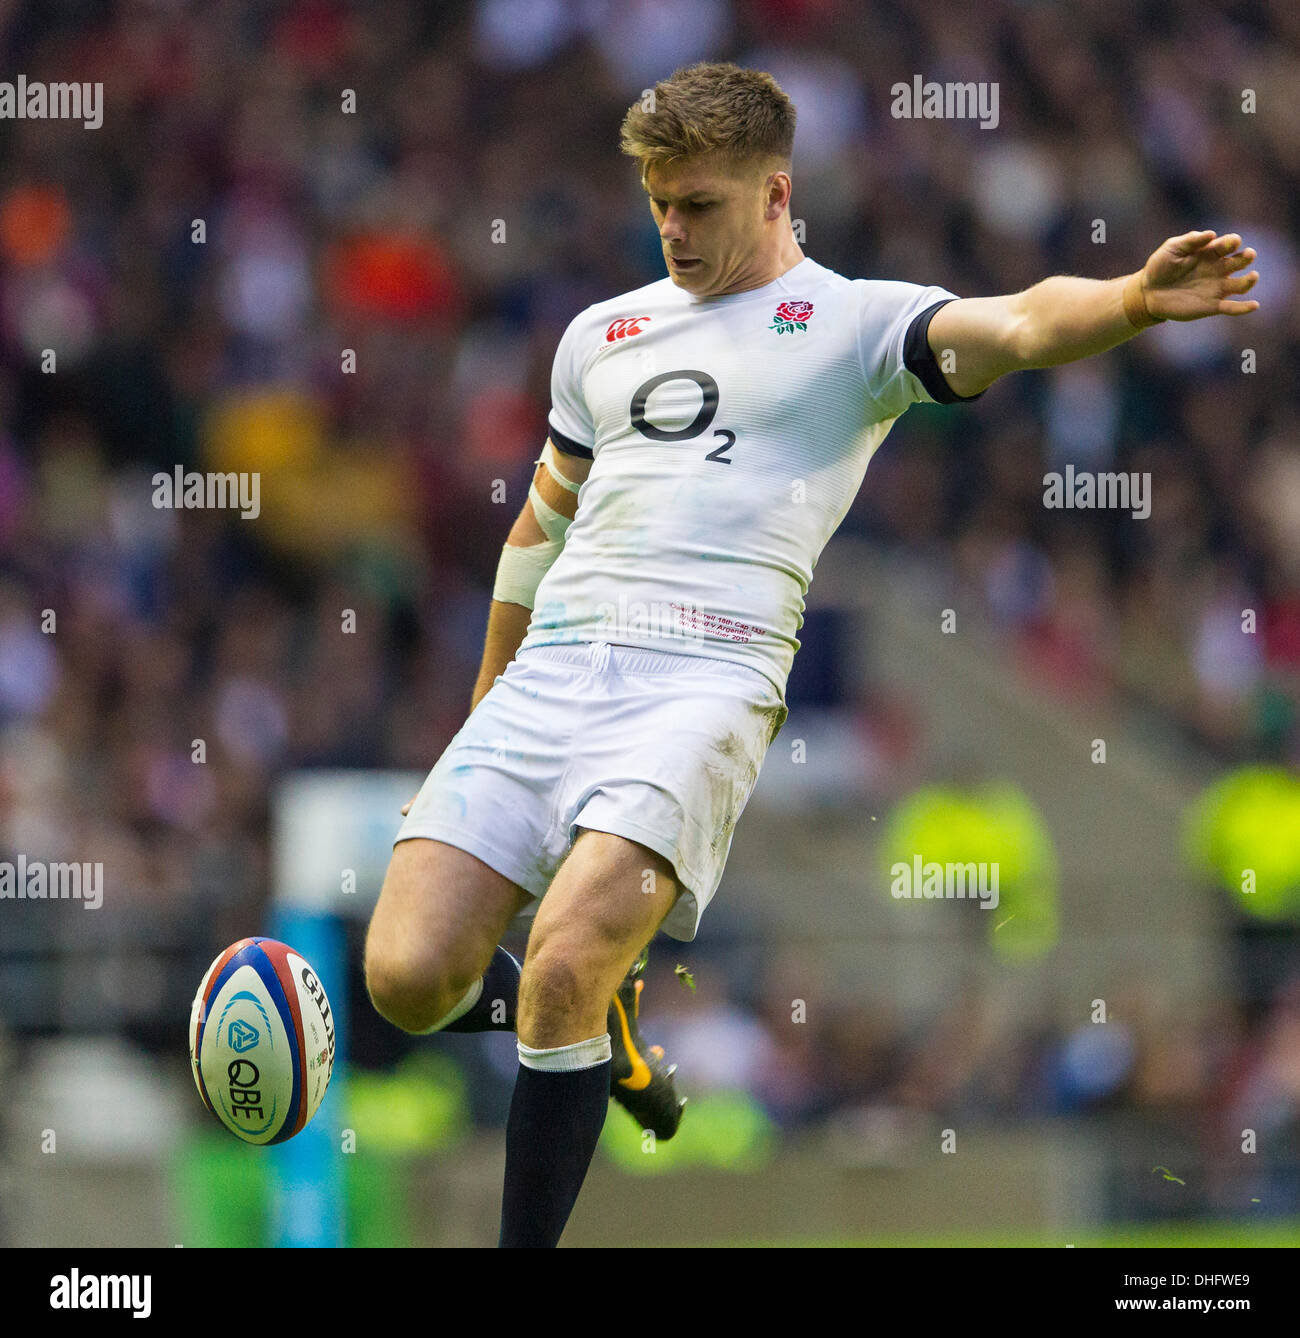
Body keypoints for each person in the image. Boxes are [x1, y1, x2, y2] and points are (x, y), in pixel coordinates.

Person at [363, 61, 1259, 1248]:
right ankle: (591, 1034)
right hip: (551, 675)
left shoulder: (852, 325)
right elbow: (539, 528)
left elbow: (1021, 322)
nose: (674, 228)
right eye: (659, 202)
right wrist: (486, 701)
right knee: (408, 976)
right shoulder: (601, 335)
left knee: (567, 959)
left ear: (776, 192)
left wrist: (1135, 300)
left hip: (705, 682)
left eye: (701, 205)